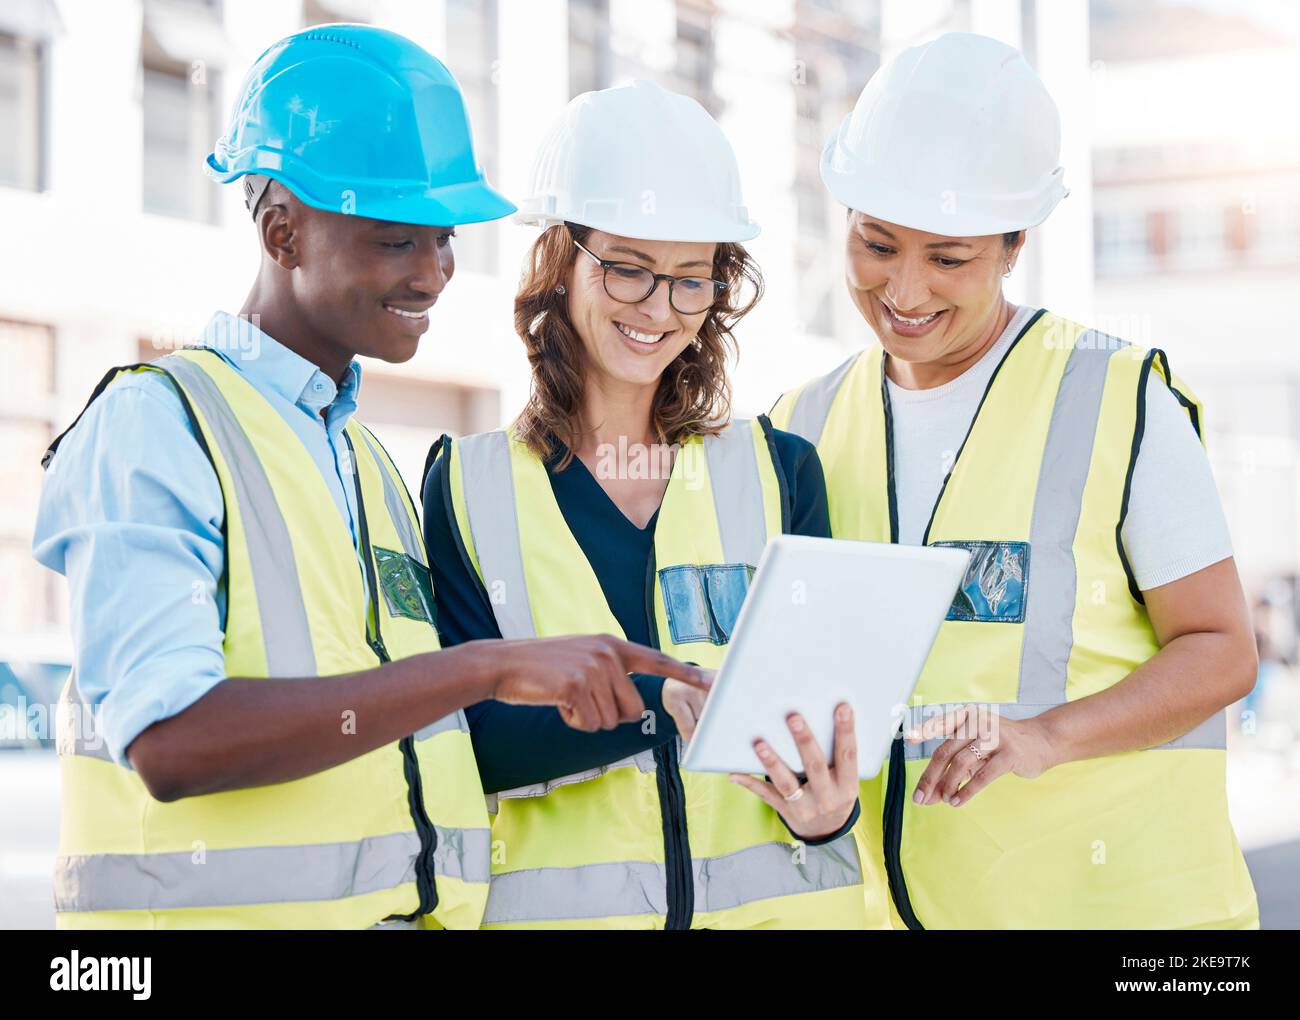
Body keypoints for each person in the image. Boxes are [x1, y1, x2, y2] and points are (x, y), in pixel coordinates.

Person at [33, 25, 705, 931]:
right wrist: (487, 668)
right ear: (282, 232)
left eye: (443, 239)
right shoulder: (159, 425)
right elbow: (171, 741)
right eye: (396, 241)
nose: (432, 275)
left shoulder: (367, 464)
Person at [771, 32, 1259, 929]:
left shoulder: (1116, 396)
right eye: (878, 244)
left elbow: (1223, 649)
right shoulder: (799, 423)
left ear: (1012, 246)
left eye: (948, 258)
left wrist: (1045, 739)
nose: (905, 290)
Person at [422, 80, 872, 929]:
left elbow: (832, 726)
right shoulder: (467, 487)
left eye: (690, 281)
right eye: (628, 269)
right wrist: (645, 708)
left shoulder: (782, 475)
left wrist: (829, 815)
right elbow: (460, 744)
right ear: (561, 261)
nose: (659, 310)